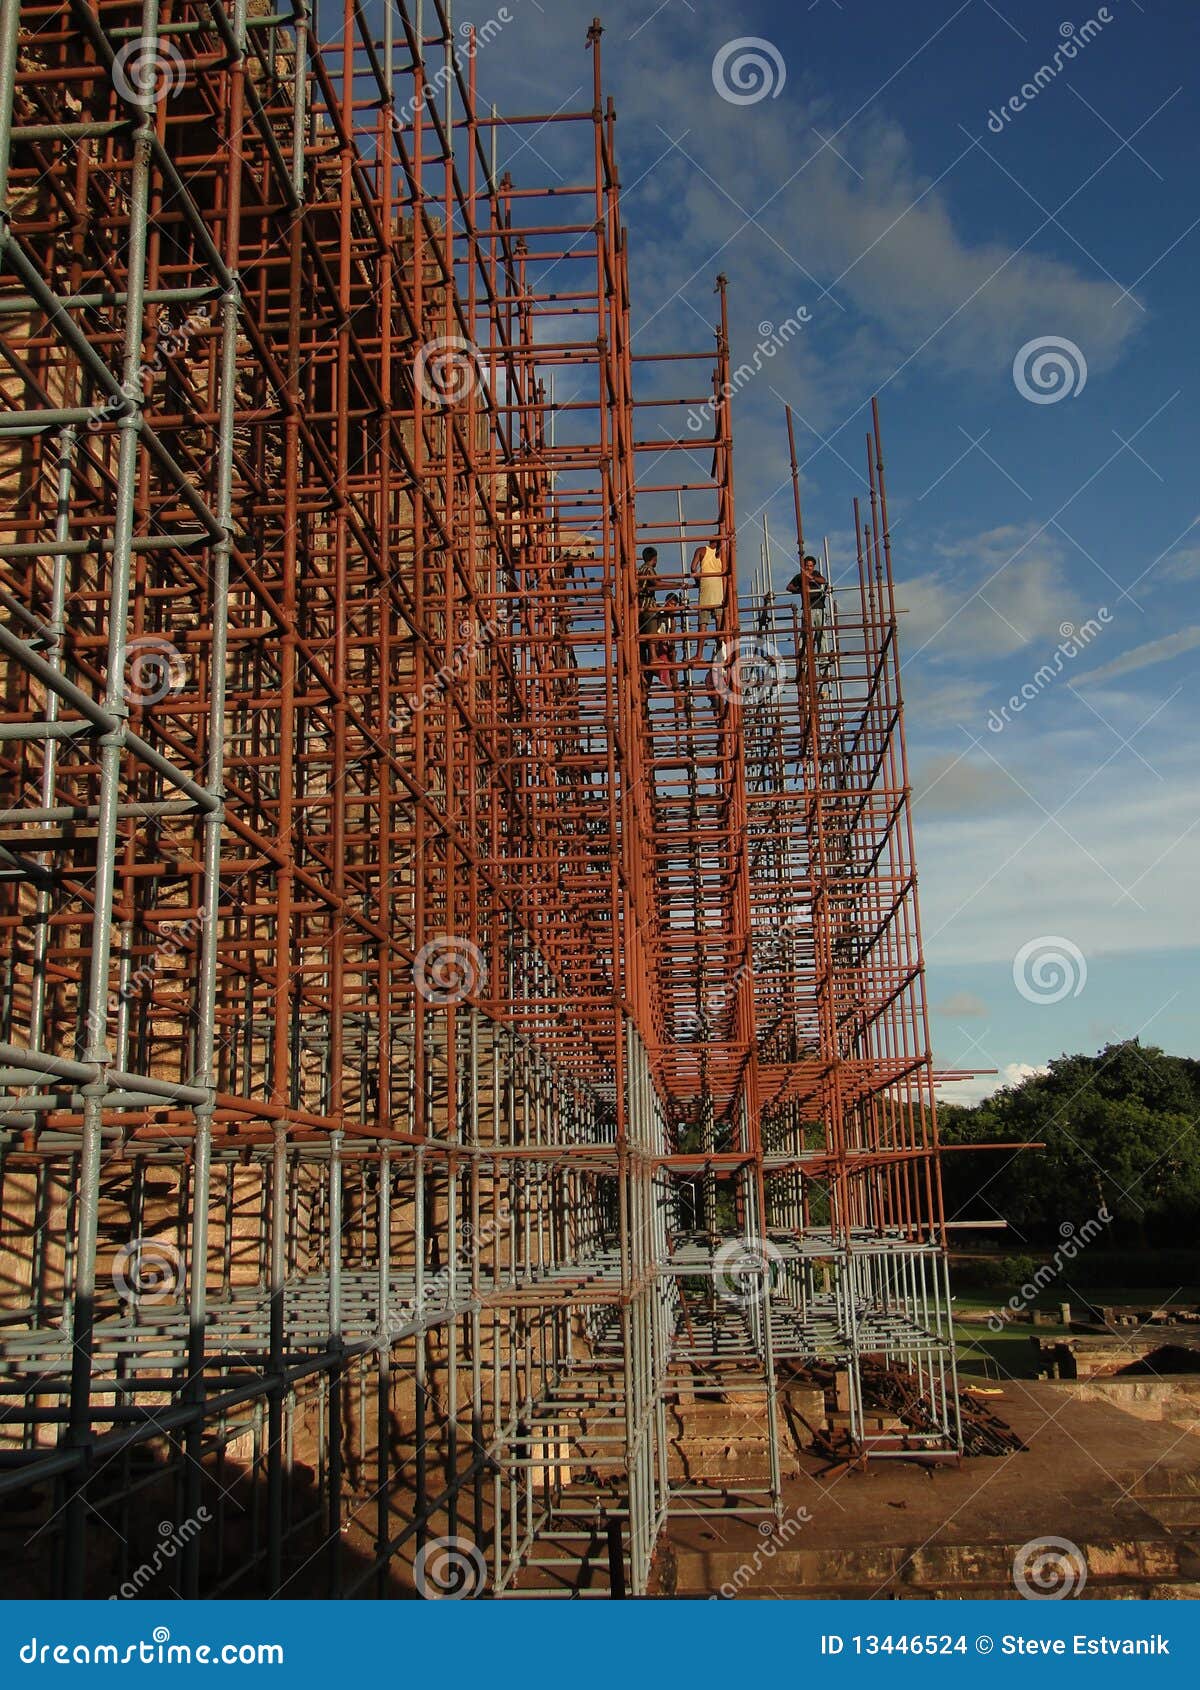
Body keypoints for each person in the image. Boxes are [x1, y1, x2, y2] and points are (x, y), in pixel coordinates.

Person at [691, 540, 725, 657]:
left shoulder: (701, 550)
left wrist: (698, 582)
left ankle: (699, 655)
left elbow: (693, 568)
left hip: (705, 588)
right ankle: (722, 653)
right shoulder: (723, 553)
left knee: (702, 624)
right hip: (719, 590)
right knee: (719, 623)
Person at [638, 546, 660, 677]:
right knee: (652, 633)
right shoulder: (648, 569)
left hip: (641, 607)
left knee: (645, 637)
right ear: (654, 558)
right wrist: (676, 584)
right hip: (648, 606)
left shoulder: (640, 569)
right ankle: (653, 657)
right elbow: (656, 583)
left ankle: (649, 659)